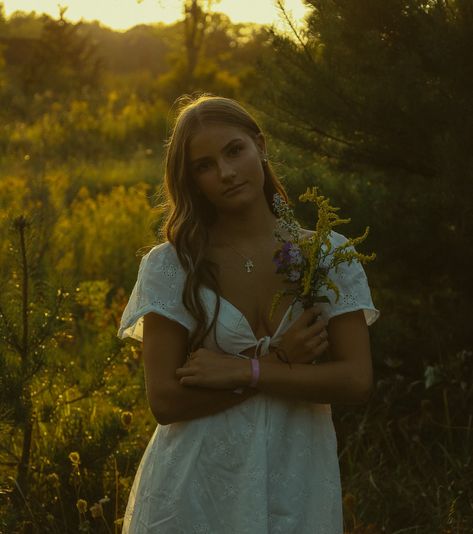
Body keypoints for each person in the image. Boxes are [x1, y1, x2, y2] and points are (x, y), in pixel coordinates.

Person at [117, 93, 380, 533]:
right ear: (192, 179)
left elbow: (355, 381)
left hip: (297, 476)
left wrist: (243, 372)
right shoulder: (172, 265)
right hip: (196, 488)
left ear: (260, 145)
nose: (225, 172)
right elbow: (164, 401)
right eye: (204, 166)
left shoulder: (326, 255)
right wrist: (276, 364)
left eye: (234, 150)